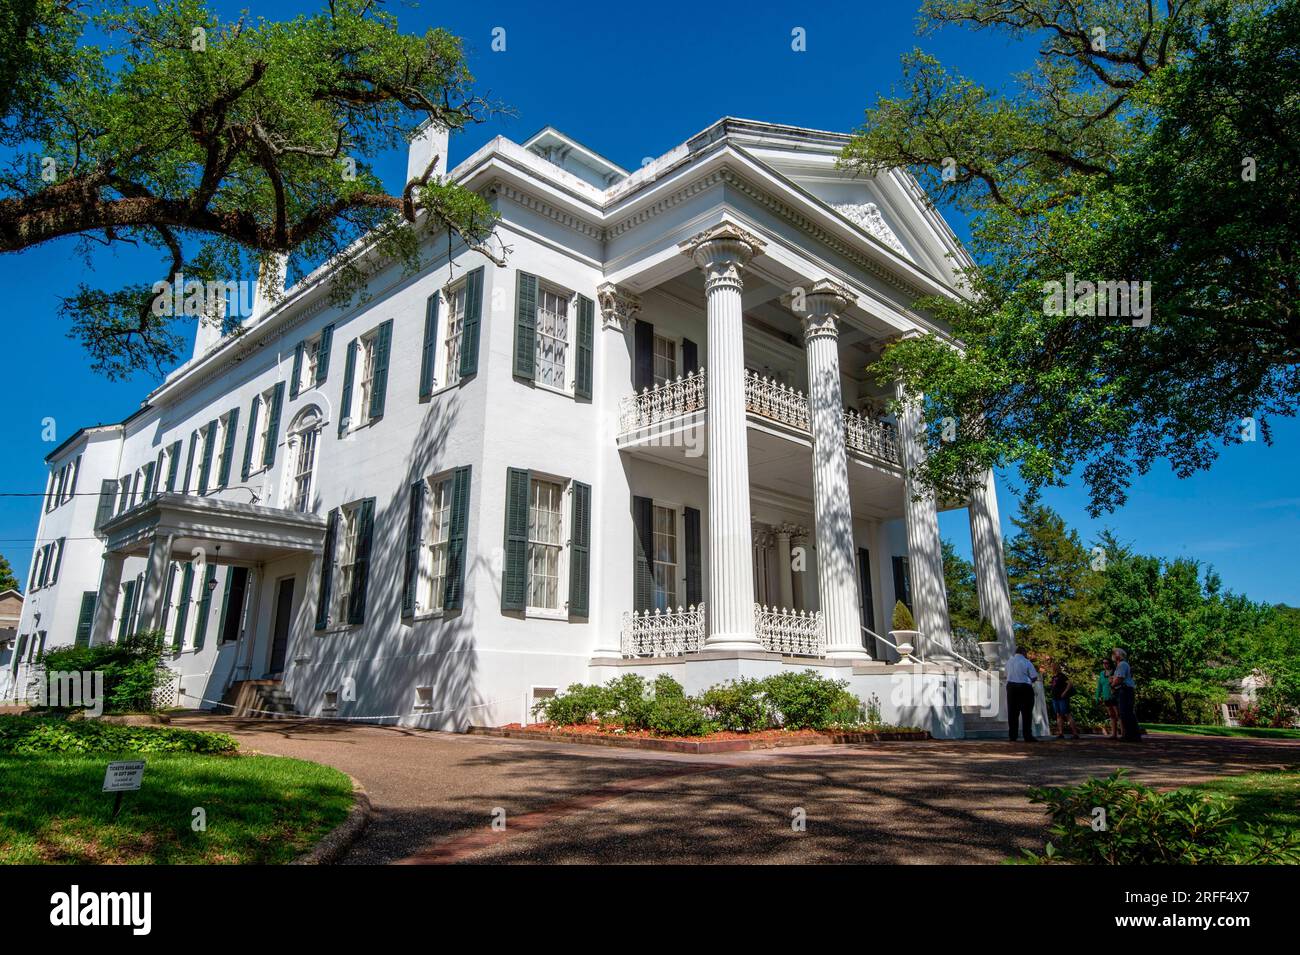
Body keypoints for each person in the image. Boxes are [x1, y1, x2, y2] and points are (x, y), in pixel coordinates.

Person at [1005, 647, 1040, 742]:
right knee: (1027, 712)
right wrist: (1029, 679)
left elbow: (1006, 674)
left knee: (1012, 712)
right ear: (1023, 652)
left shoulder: (1009, 662)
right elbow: (1034, 676)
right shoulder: (1026, 662)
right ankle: (1027, 735)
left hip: (1011, 687)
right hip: (1024, 687)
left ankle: (1013, 735)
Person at [1110, 647, 1142, 742]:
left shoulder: (1122, 664)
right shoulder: (1121, 665)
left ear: (1119, 655)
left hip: (1125, 690)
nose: (1113, 655)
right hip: (1124, 690)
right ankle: (1131, 736)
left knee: (1126, 713)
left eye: (1114, 653)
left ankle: (1131, 736)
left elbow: (1119, 679)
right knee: (1126, 713)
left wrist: (1112, 684)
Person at [1051, 664, 1081, 739]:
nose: (1052, 668)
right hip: (1055, 698)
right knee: (1058, 715)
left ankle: (1075, 733)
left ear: (1056, 668)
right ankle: (1061, 733)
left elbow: (1070, 683)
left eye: (1053, 667)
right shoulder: (1054, 677)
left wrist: (1064, 692)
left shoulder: (1062, 676)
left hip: (1062, 698)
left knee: (1067, 714)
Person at [1096, 659, 1120, 739]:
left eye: (1106, 663)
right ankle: (1114, 734)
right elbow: (1099, 686)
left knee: (1118, 715)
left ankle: (1124, 733)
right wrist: (1098, 696)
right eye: (1103, 663)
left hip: (1115, 696)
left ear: (1110, 663)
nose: (1104, 664)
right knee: (1112, 715)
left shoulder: (1115, 672)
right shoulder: (1102, 673)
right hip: (1106, 697)